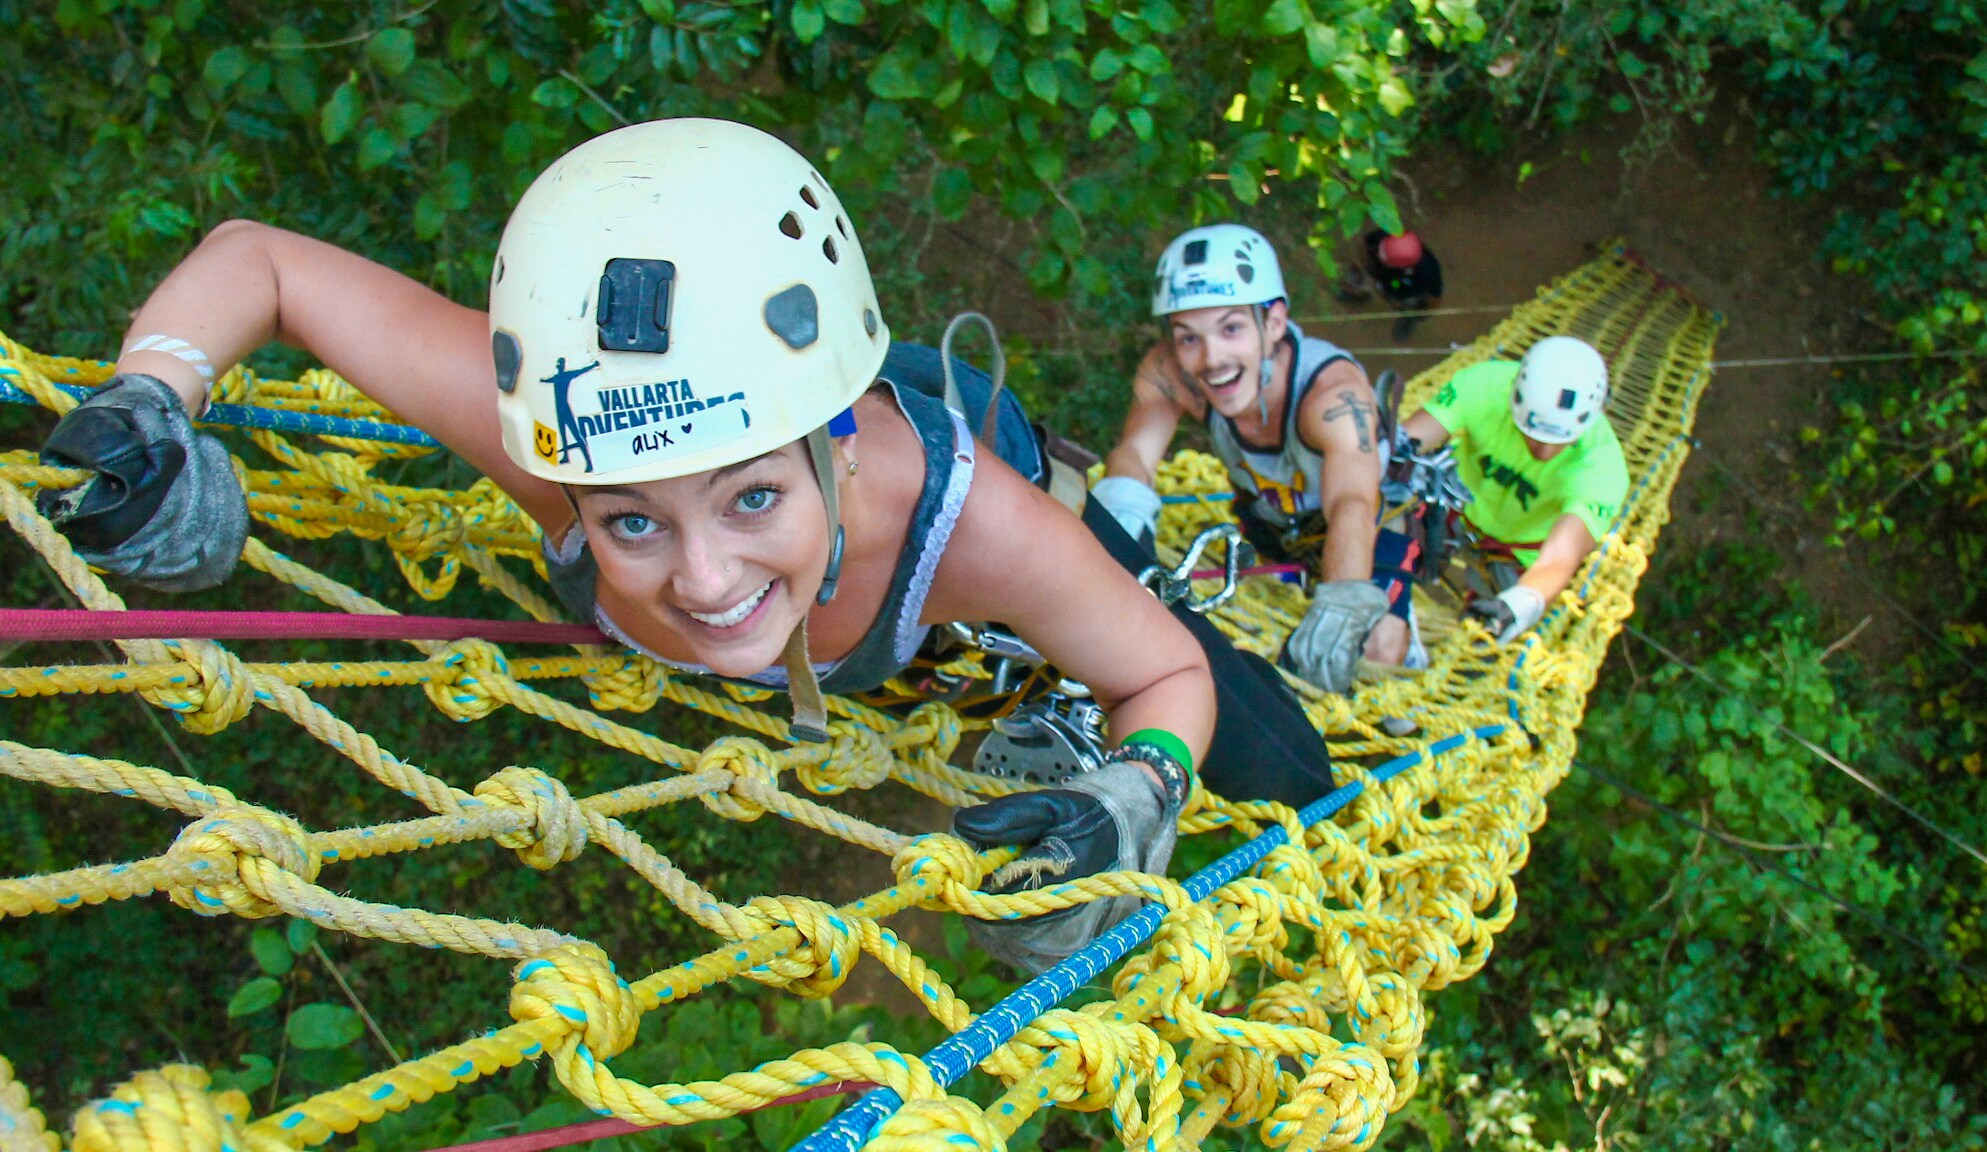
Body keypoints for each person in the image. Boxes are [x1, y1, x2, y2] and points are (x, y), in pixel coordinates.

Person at [33, 119, 1335, 973]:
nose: (703, 583)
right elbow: (260, 263)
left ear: (834, 453)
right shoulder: (560, 440)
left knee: (1283, 768)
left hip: (978, 482)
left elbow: (1165, 675)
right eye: (633, 521)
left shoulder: (975, 523)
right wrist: (150, 401)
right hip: (810, 423)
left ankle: (1082, 673)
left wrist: (1139, 788)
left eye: (750, 500)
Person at [1092, 223, 1422, 697]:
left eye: (1231, 329)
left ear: (1273, 324)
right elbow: (1135, 455)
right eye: (1188, 337)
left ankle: (1405, 646)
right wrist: (1119, 526)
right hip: (1273, 522)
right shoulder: (1172, 373)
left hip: (1371, 521)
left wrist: (1343, 603)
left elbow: (1353, 500)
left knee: (1376, 651)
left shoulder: (1331, 396)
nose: (1212, 359)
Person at [1398, 335, 1629, 644]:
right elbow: (1407, 442)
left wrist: (1518, 605)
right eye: (1532, 435)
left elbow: (1560, 556)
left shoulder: (1602, 469)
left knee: (1488, 641)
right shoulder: (1485, 386)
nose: (1544, 451)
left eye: (1561, 441)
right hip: (1454, 506)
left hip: (1518, 553)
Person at [1340, 229, 1443, 341]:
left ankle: (1410, 316)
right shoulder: (1383, 236)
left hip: (1402, 290)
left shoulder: (1428, 270)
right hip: (1375, 272)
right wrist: (1365, 268)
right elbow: (1364, 246)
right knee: (1354, 277)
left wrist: (1423, 315)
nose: (1379, 254)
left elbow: (1434, 297)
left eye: (1385, 256)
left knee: (1409, 303)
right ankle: (1360, 295)